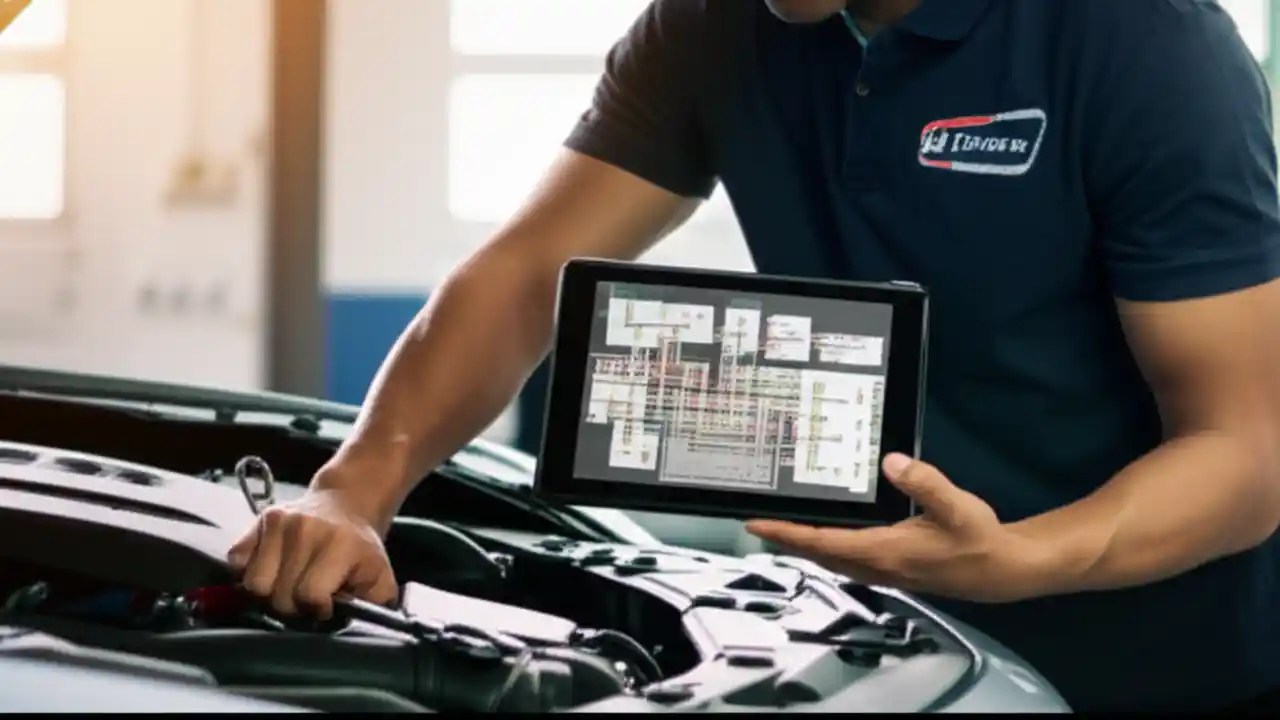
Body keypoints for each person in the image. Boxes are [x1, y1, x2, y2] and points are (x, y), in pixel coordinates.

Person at [228, 0, 1280, 712]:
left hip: (1158, 662)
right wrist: (354, 490)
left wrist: (1025, 558)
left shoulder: (1137, 41)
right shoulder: (715, 25)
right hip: (874, 646)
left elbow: (1243, 451)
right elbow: (527, 270)